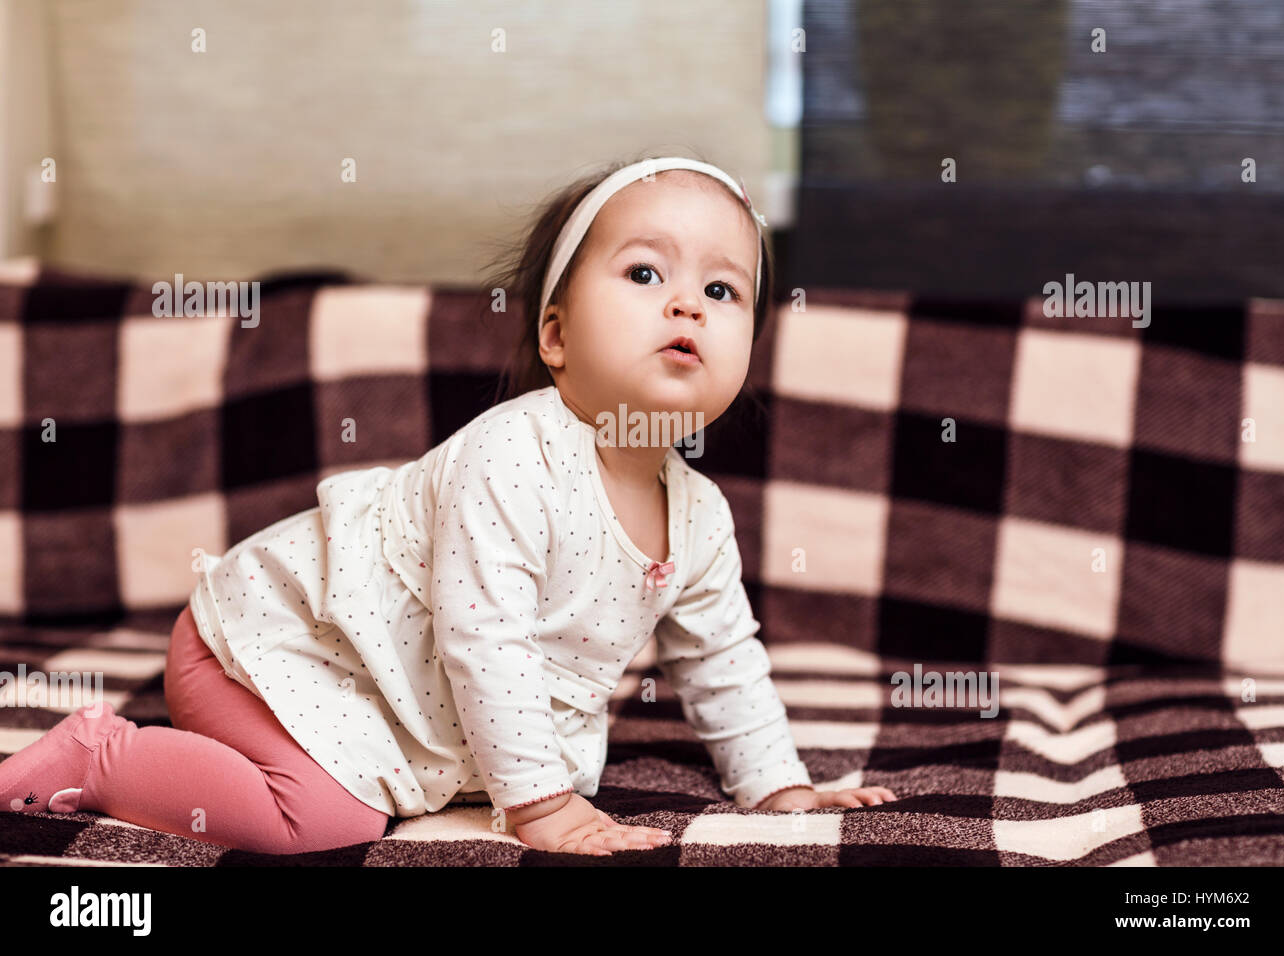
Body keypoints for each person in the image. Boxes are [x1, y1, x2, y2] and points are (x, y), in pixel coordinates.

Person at [0, 154, 897, 856]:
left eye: (721, 290)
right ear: (555, 333)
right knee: (323, 818)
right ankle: (100, 753)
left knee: (366, 795)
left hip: (392, 701)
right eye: (643, 274)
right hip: (271, 650)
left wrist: (779, 788)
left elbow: (722, 662)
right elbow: (483, 636)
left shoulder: (699, 518)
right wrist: (542, 805)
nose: (686, 307)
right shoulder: (514, 455)